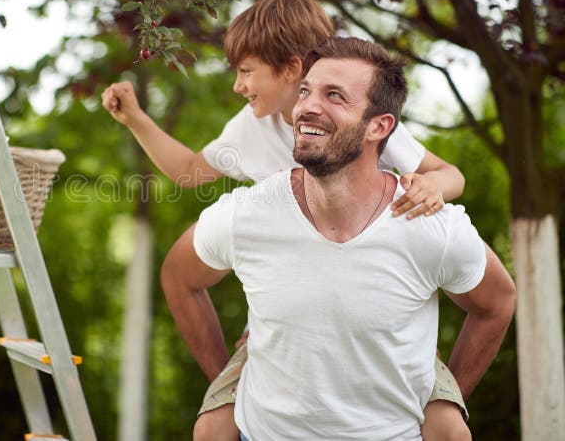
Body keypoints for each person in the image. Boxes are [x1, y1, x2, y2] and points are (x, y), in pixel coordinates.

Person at [101, 0, 468, 439]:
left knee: (449, 428)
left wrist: (433, 187)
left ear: (292, 69)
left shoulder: (360, 122)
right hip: (287, 325)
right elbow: (189, 171)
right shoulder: (250, 127)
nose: (238, 85)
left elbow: (449, 174)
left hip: (379, 327)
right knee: (213, 427)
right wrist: (136, 119)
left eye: (246, 71)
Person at [190, 36, 516, 439]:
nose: (306, 105)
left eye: (334, 96)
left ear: (379, 127)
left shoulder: (427, 222)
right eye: (306, 90)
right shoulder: (244, 215)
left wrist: (444, 398)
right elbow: (180, 276)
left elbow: (498, 301)